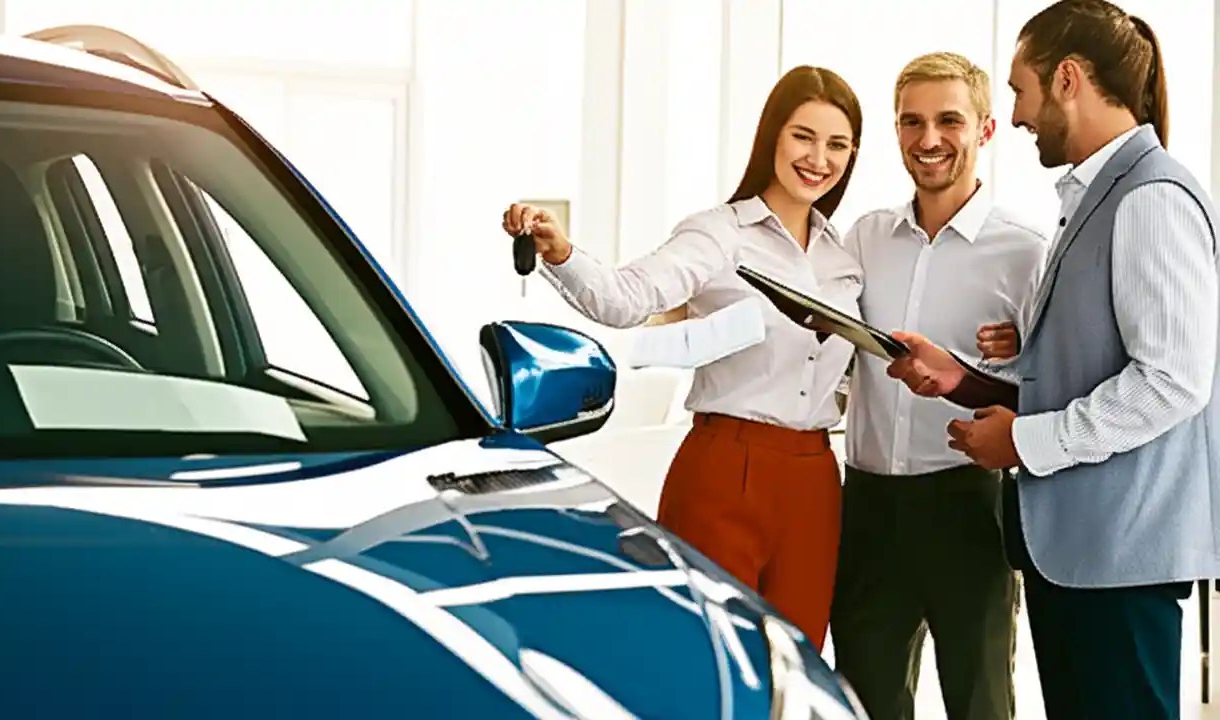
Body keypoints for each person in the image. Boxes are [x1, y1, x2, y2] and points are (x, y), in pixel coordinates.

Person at [885, 3, 1220, 718]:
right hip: (1077, 553)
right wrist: (964, 377)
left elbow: (1171, 380)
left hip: (1120, 556)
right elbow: (1076, 366)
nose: (1016, 114)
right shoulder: (1094, 198)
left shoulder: (1152, 197)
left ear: (1067, 79)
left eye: (1019, 90)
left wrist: (1022, 442)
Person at [500, 66, 863, 649]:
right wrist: (562, 252)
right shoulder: (720, 234)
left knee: (799, 668)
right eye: (803, 135)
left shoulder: (845, 258)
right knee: (709, 657)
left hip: (817, 480)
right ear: (772, 134)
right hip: (726, 470)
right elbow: (626, 298)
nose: (819, 157)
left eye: (838, 144)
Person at [829, 52, 1046, 720]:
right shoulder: (863, 238)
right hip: (866, 510)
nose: (928, 140)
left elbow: (1050, 390)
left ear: (984, 129)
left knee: (981, 703)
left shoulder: (1025, 252)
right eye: (911, 122)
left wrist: (1005, 365)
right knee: (864, 703)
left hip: (968, 510)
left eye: (949, 120)